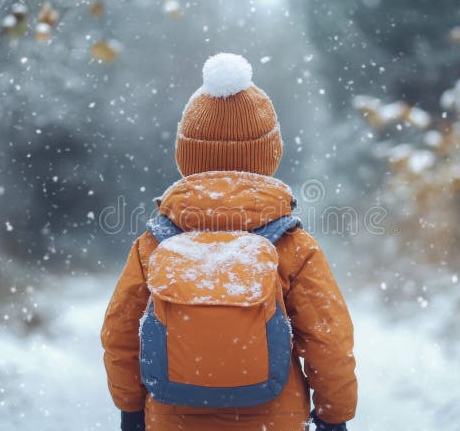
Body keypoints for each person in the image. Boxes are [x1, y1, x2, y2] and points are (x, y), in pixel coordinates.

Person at [101, 53, 357, 431]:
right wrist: (334, 416)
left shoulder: (154, 245)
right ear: (270, 153)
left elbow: (120, 337)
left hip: (173, 421)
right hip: (274, 421)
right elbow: (328, 340)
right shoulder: (293, 246)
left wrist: (131, 410)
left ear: (185, 155)